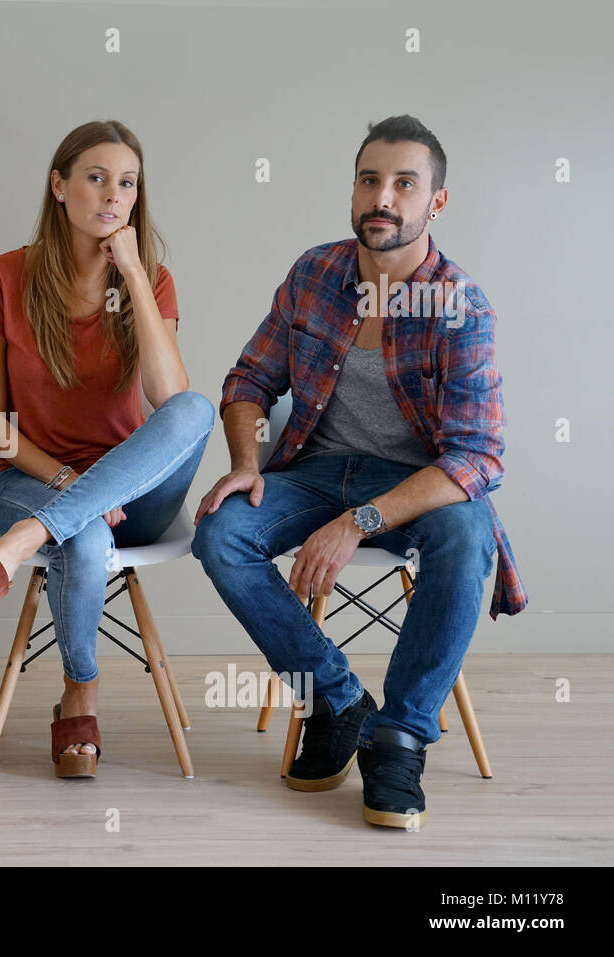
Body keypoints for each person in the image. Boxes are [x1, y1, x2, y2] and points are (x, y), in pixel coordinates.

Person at [191, 115, 527, 829]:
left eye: (405, 183)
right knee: (219, 530)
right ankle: (338, 701)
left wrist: (359, 523)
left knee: (472, 538)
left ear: (436, 202)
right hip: (315, 469)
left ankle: (399, 736)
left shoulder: (460, 306)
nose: (383, 197)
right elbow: (249, 380)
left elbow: (477, 457)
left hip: (416, 486)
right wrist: (246, 464)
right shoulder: (315, 273)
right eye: (370, 179)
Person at [0, 120, 214, 778]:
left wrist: (130, 268)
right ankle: (81, 693)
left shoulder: (150, 280)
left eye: (127, 182)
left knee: (198, 408)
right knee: (86, 537)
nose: (113, 195)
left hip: (139, 493)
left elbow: (169, 397)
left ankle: (9, 553)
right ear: (59, 185)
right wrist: (69, 481)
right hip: (34, 478)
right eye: (96, 177)